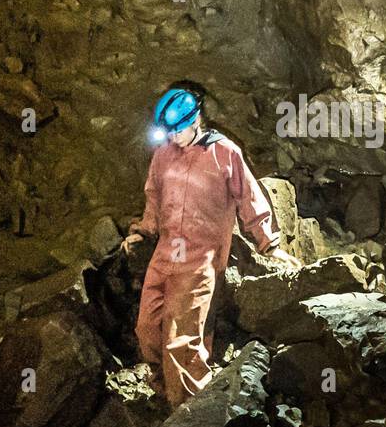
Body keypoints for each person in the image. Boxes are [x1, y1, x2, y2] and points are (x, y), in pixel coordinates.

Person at [123, 88, 299, 407]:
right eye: (168, 132)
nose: (172, 138)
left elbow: (249, 198)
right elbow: (154, 197)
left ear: (196, 121)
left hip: (200, 260)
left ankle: (188, 411)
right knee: (147, 327)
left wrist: (269, 244)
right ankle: (163, 387)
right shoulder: (163, 154)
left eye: (177, 131)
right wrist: (143, 231)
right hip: (165, 253)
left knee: (181, 339)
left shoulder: (224, 153)